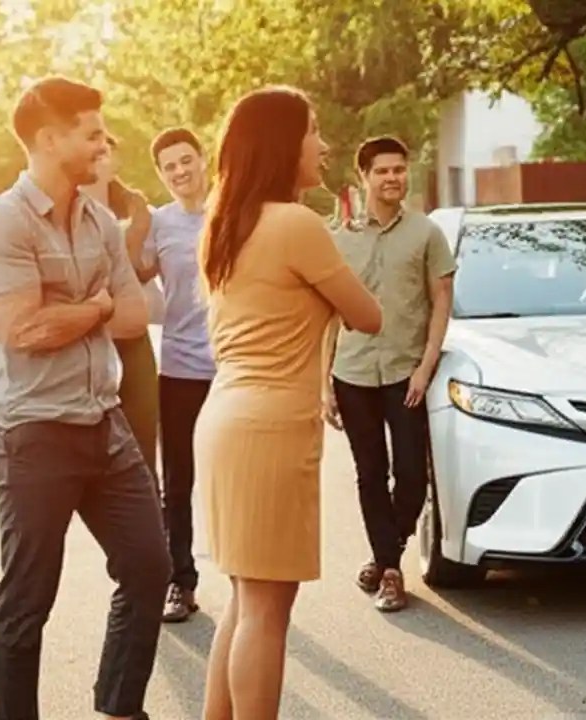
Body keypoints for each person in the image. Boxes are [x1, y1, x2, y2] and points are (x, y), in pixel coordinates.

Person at [0, 75, 170, 720]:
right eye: (90, 133)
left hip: (103, 425)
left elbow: (134, 318)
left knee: (149, 568)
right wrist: (99, 305)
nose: (102, 143)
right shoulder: (0, 223)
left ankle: (119, 706)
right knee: (27, 602)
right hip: (34, 436)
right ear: (49, 140)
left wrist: (76, 308)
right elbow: (24, 331)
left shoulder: (101, 221)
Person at [193, 86, 381, 720]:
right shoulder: (298, 225)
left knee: (247, 603)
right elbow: (369, 316)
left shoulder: (225, 224)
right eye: (313, 132)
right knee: (268, 611)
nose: (324, 145)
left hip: (226, 418)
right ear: (281, 146)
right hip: (271, 427)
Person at [325, 135, 457, 612]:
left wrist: (426, 367)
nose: (392, 178)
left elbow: (442, 300)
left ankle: (384, 554)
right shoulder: (339, 238)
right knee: (370, 474)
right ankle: (392, 573)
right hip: (353, 372)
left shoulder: (426, 233)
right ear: (363, 176)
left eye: (399, 169)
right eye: (382, 170)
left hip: (406, 372)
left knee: (411, 478)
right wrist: (325, 385)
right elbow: (327, 314)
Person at [133, 127, 215, 623]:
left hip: (233, 369)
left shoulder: (232, 211)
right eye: (170, 167)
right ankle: (179, 583)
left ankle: (250, 582)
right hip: (180, 368)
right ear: (162, 175)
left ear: (203, 159)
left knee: (237, 479)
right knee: (177, 482)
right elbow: (130, 272)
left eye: (187, 160)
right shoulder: (160, 224)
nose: (181, 172)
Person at [80, 135, 161, 478]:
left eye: (106, 151)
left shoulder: (141, 213)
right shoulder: (68, 215)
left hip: (133, 343)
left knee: (142, 450)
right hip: (86, 343)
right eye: (93, 150)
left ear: (116, 161)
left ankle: (150, 519)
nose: (99, 157)